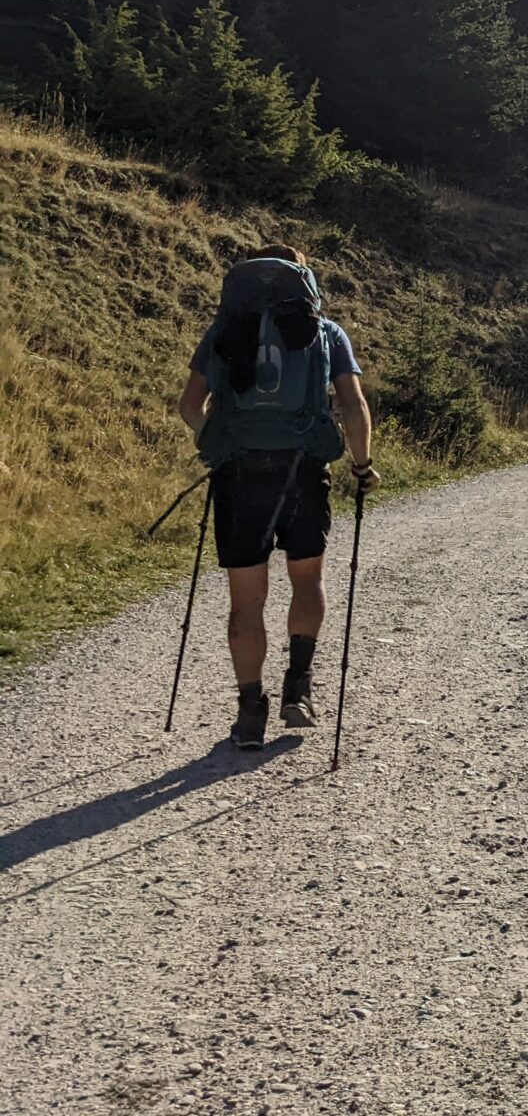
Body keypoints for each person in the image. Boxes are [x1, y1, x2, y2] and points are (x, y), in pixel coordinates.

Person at [178, 245, 379, 750]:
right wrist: (361, 465)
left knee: (246, 601)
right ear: (302, 280)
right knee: (306, 579)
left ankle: (250, 713)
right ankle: (299, 688)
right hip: (303, 471)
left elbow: (190, 405)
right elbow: (353, 405)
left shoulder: (224, 329)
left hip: (239, 476)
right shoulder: (326, 332)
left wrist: (219, 440)